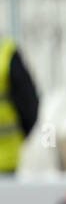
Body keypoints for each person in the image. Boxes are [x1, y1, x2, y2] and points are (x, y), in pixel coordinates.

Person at [0, 37, 39, 173]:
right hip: (6, 157)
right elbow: (30, 103)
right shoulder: (7, 55)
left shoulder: (7, 55)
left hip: (6, 159)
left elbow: (29, 103)